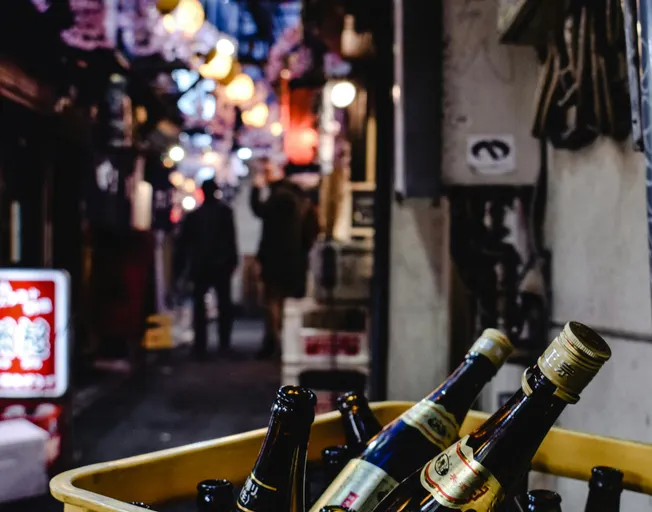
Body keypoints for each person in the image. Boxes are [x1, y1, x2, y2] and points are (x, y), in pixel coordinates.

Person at [250, 160, 320, 359]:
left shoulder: (280, 197)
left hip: (276, 259)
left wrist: (256, 189)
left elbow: (259, 211)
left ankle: (275, 344)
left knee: (273, 302)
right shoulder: (301, 199)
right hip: (296, 259)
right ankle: (284, 344)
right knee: (289, 304)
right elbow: (312, 231)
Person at [178, 180, 238, 359]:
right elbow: (231, 240)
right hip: (221, 265)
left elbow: (184, 244)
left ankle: (200, 345)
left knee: (199, 306)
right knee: (224, 305)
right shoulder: (225, 213)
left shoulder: (194, 216)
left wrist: (183, 268)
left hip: (201, 265)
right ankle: (224, 343)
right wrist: (232, 261)